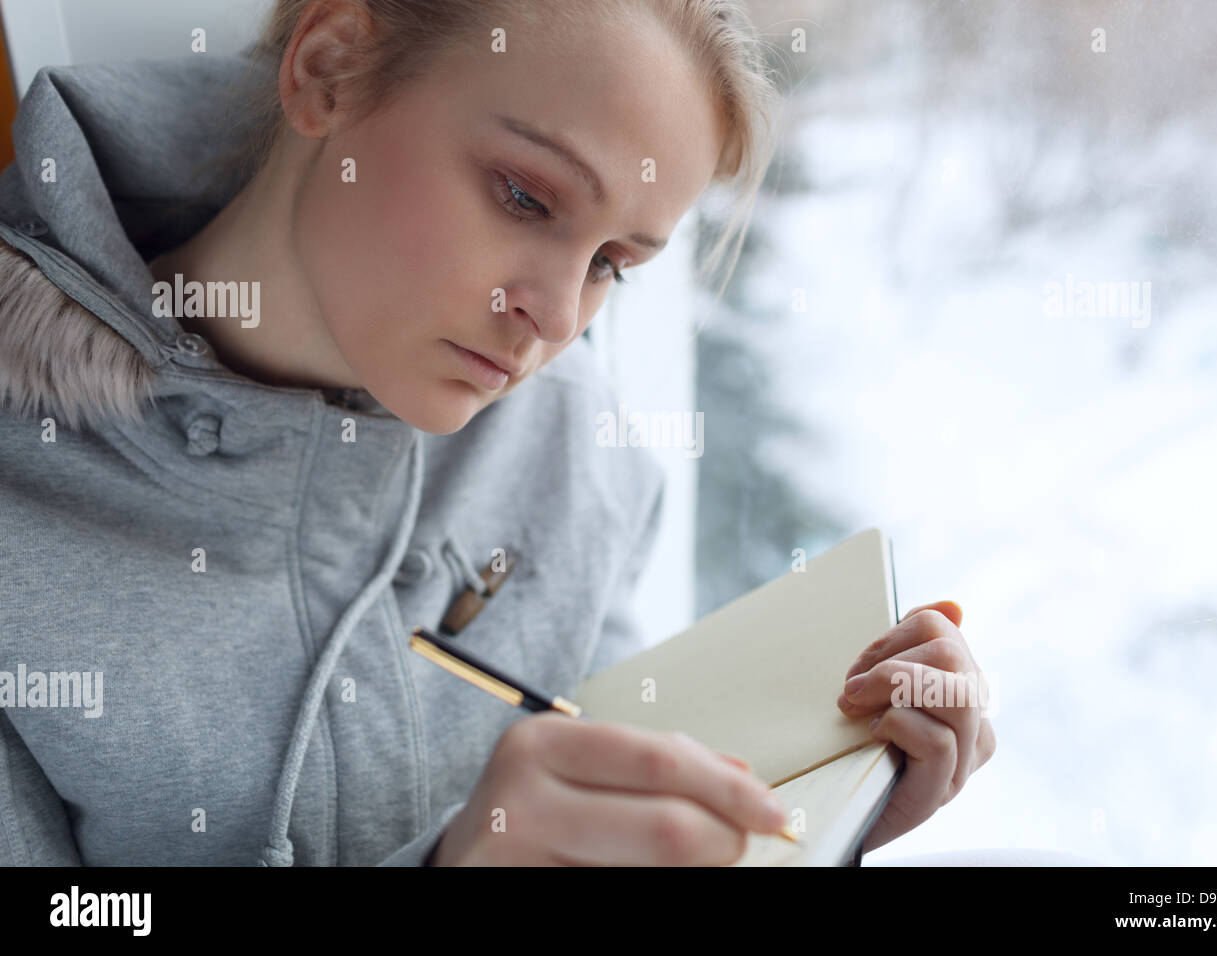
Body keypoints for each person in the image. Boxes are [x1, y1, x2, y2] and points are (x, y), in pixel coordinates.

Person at [0, 0, 995, 867]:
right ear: (328, 70)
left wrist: (811, 815)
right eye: (525, 196)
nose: (558, 319)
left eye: (613, 261)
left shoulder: (575, 444)